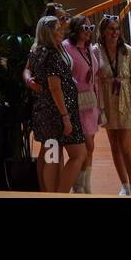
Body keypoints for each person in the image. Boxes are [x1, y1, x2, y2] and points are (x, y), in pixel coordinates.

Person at [28, 15, 86, 193]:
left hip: (48, 110)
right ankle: (59, 194)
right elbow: (55, 88)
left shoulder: (38, 50)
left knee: (52, 155)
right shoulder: (51, 54)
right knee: (78, 154)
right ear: (48, 32)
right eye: (57, 29)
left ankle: (51, 194)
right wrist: (65, 117)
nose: (62, 31)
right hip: (57, 113)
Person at [97, 14, 131, 196]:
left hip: (126, 97)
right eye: (111, 29)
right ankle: (124, 184)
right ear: (103, 31)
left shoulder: (127, 51)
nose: (115, 32)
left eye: (117, 29)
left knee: (125, 145)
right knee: (114, 146)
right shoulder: (96, 50)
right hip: (107, 100)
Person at [63, 15, 102, 193]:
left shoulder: (90, 50)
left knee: (90, 148)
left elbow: (97, 77)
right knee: (87, 146)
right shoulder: (66, 47)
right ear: (76, 29)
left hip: (91, 102)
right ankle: (78, 185)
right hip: (76, 103)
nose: (88, 32)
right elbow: (63, 76)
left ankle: (85, 185)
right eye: (85, 28)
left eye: (90, 28)